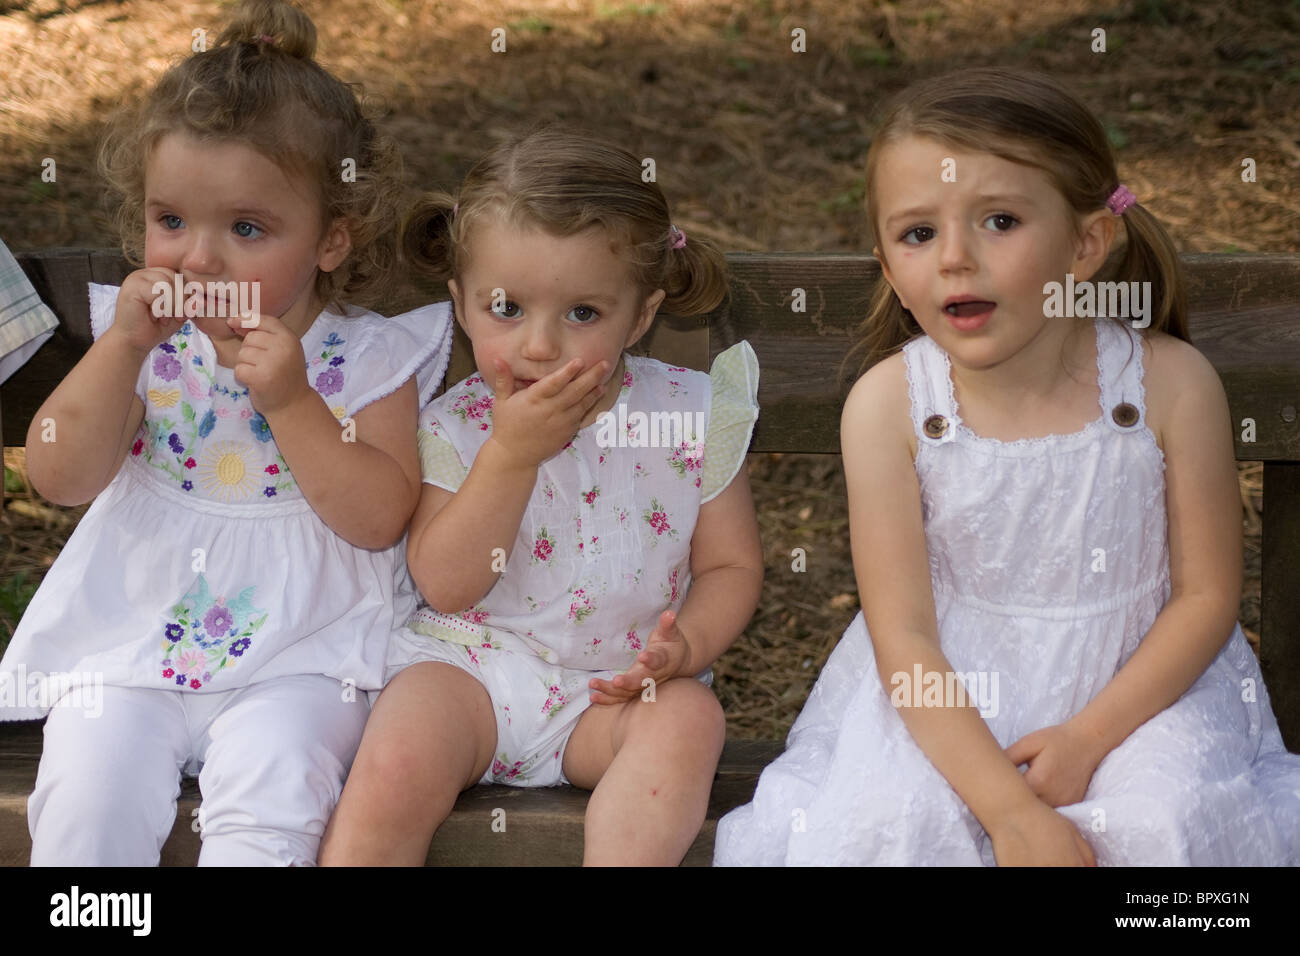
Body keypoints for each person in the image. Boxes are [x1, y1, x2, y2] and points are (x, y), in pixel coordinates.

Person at [714, 67, 1300, 866]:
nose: (955, 259)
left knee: (1163, 821)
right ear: (887, 265)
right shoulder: (890, 407)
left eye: (998, 220)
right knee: (892, 821)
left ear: (1086, 243)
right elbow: (906, 637)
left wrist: (1087, 738)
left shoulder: (1167, 385)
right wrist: (1009, 814)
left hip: (1145, 693)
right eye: (918, 233)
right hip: (943, 695)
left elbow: (1205, 598)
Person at [0, 0, 453, 865]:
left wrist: (292, 401)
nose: (198, 259)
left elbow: (378, 517)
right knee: (89, 792)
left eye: (245, 229)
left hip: (303, 655)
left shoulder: (366, 357)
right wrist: (124, 349)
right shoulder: (138, 344)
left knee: (274, 788)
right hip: (134, 641)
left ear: (330, 240)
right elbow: (57, 475)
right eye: (171, 221)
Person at [320, 125, 764, 866]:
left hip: (615, 691)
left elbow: (730, 567)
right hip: (471, 675)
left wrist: (687, 647)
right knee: (396, 759)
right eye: (507, 308)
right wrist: (510, 457)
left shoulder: (694, 416)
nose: (538, 345)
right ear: (461, 304)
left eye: (583, 314)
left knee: (688, 721)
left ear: (642, 316)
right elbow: (446, 584)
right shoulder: (456, 424)